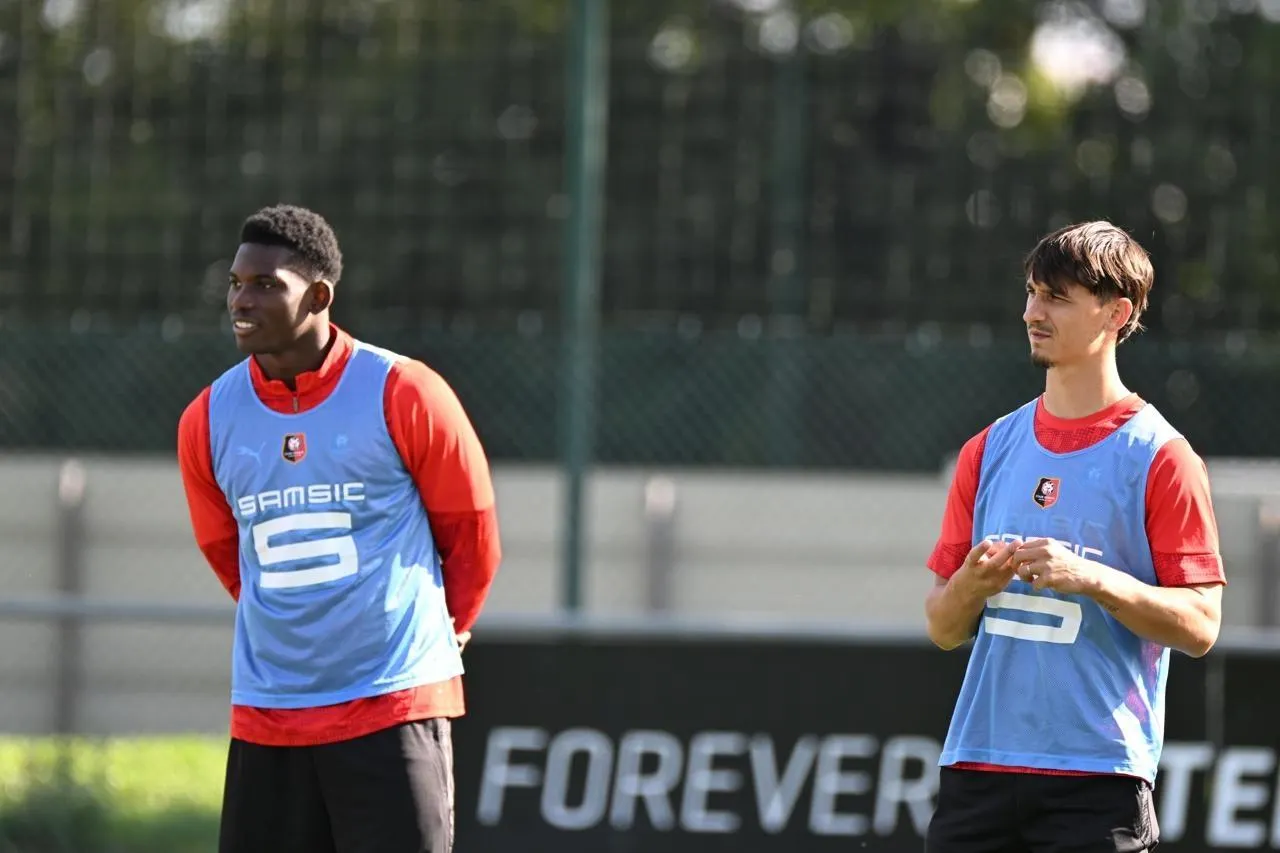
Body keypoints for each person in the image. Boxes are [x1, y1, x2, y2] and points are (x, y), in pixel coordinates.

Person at [177, 204, 502, 853]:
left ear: (319, 295)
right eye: (237, 283)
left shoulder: (405, 391)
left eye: (266, 285)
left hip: (392, 706)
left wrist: (444, 627)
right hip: (271, 717)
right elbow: (226, 551)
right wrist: (298, 628)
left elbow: (471, 533)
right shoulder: (208, 417)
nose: (242, 299)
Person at [923, 221, 1225, 853]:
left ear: (1117, 313)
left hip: (1099, 779)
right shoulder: (987, 451)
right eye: (1033, 293)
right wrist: (972, 585)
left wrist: (1089, 577)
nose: (1033, 312)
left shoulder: (1163, 457)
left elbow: (1201, 625)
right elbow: (943, 627)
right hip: (976, 770)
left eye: (1057, 297)